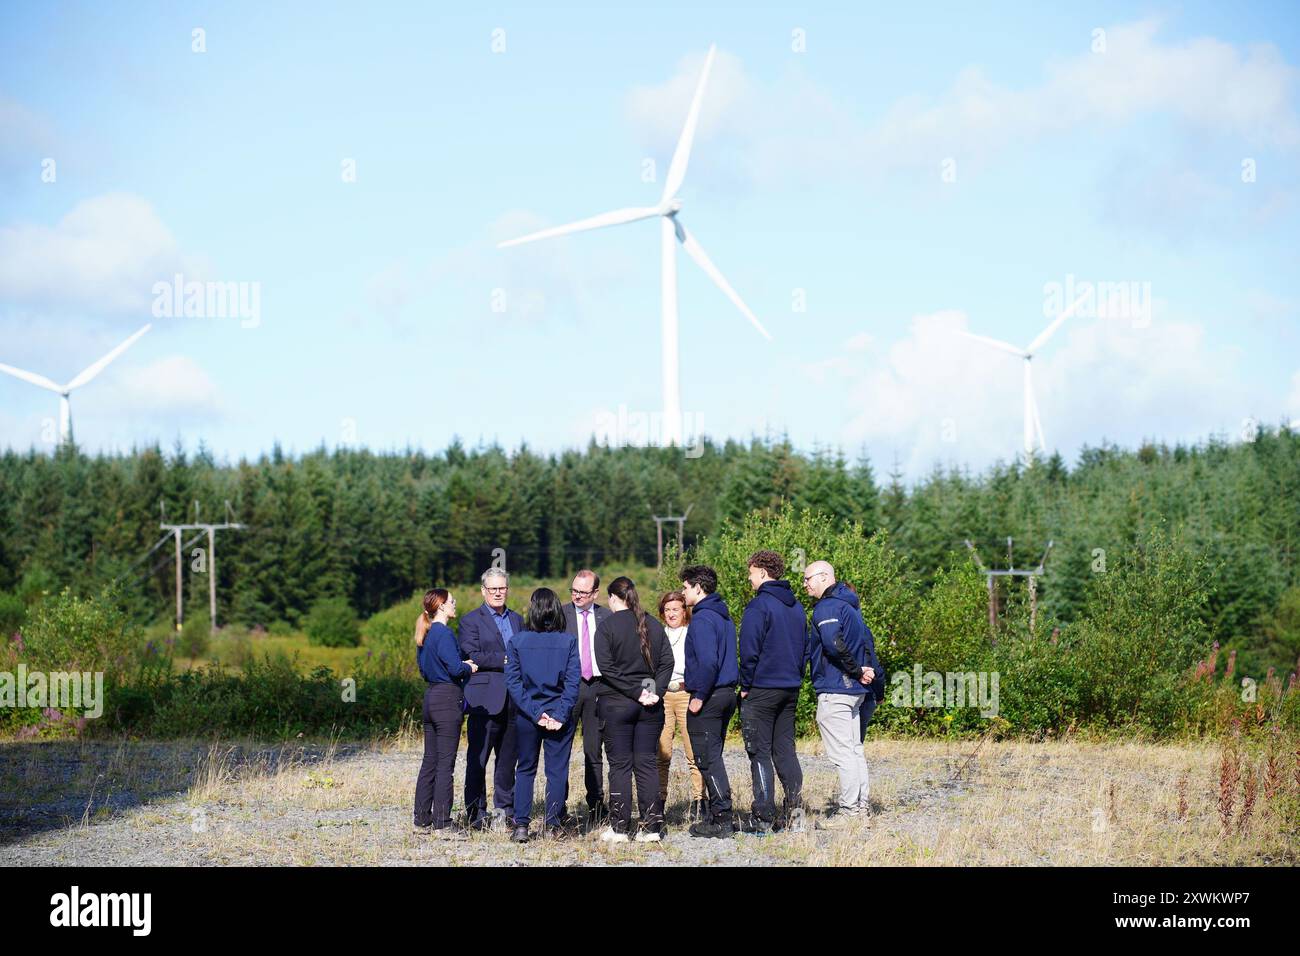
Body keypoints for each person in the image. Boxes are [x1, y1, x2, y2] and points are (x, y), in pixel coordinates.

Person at [593, 576, 673, 843]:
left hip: (617, 704)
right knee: (647, 763)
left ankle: (619, 827)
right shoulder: (653, 624)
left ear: (614, 598)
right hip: (650, 706)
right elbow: (666, 664)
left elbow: (607, 668)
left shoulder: (606, 627)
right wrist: (654, 692)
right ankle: (651, 828)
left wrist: (636, 692)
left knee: (620, 766)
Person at [803, 561, 879, 827]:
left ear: (824, 577)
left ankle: (849, 812)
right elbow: (866, 644)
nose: (805, 584)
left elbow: (834, 645)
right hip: (855, 690)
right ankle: (861, 809)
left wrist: (858, 671)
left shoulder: (828, 607)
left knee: (843, 754)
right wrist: (865, 674)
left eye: (808, 578)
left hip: (837, 689)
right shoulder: (850, 606)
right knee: (854, 750)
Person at [505, 588, 582, 844]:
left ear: (533, 609)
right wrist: (558, 714)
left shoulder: (517, 642)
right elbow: (573, 683)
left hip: (528, 716)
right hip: (559, 714)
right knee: (557, 772)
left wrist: (537, 714)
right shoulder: (568, 641)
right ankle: (552, 826)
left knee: (525, 769)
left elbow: (514, 684)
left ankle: (521, 826)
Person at [737, 549, 806, 831]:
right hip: (790, 687)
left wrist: (745, 684)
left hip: (762, 688)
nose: (749, 579)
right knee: (785, 751)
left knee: (759, 752)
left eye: (751, 574)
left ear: (763, 573)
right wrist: (796, 676)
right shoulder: (797, 606)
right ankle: (795, 816)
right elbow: (805, 649)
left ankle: (763, 817)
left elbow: (749, 650)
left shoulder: (759, 606)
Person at [457, 567, 524, 831]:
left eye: (502, 588)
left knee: (508, 760)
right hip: (483, 699)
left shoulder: (518, 620)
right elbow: (472, 653)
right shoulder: (470, 620)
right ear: (483, 591)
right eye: (492, 588)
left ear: (507, 589)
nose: (498, 592)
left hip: (514, 701)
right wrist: (507, 659)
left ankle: (505, 811)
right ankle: (475, 813)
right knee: (478, 758)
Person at [680, 564, 740, 839]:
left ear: (698, 587)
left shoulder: (703, 619)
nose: (683, 592)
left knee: (707, 758)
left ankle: (721, 819)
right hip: (726, 693)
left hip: (711, 696)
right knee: (713, 756)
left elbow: (709, 662)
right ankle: (720, 814)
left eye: (685, 587)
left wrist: (699, 695)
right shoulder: (723, 615)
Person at [412, 588, 478, 837]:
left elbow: (423, 668)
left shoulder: (426, 634)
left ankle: (421, 820)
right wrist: (469, 666)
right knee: (445, 764)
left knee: (430, 760)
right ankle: (443, 822)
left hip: (430, 698)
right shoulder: (444, 634)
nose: (455, 604)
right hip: (447, 698)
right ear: (440, 606)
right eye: (451, 601)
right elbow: (454, 667)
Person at [562, 569, 612, 826]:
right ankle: (558, 806)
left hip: (597, 688)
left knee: (594, 750)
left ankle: (596, 805)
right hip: (568, 689)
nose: (577, 596)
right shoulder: (561, 614)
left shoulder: (607, 617)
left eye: (583, 592)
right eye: (574, 591)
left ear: (595, 593)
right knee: (561, 748)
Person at [657, 590, 706, 822]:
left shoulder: (692, 632)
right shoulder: (659, 634)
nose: (671, 614)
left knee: (692, 751)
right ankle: (659, 801)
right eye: (667, 610)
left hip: (687, 693)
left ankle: (699, 801)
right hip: (665, 695)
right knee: (662, 751)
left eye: (675, 609)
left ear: (684, 610)